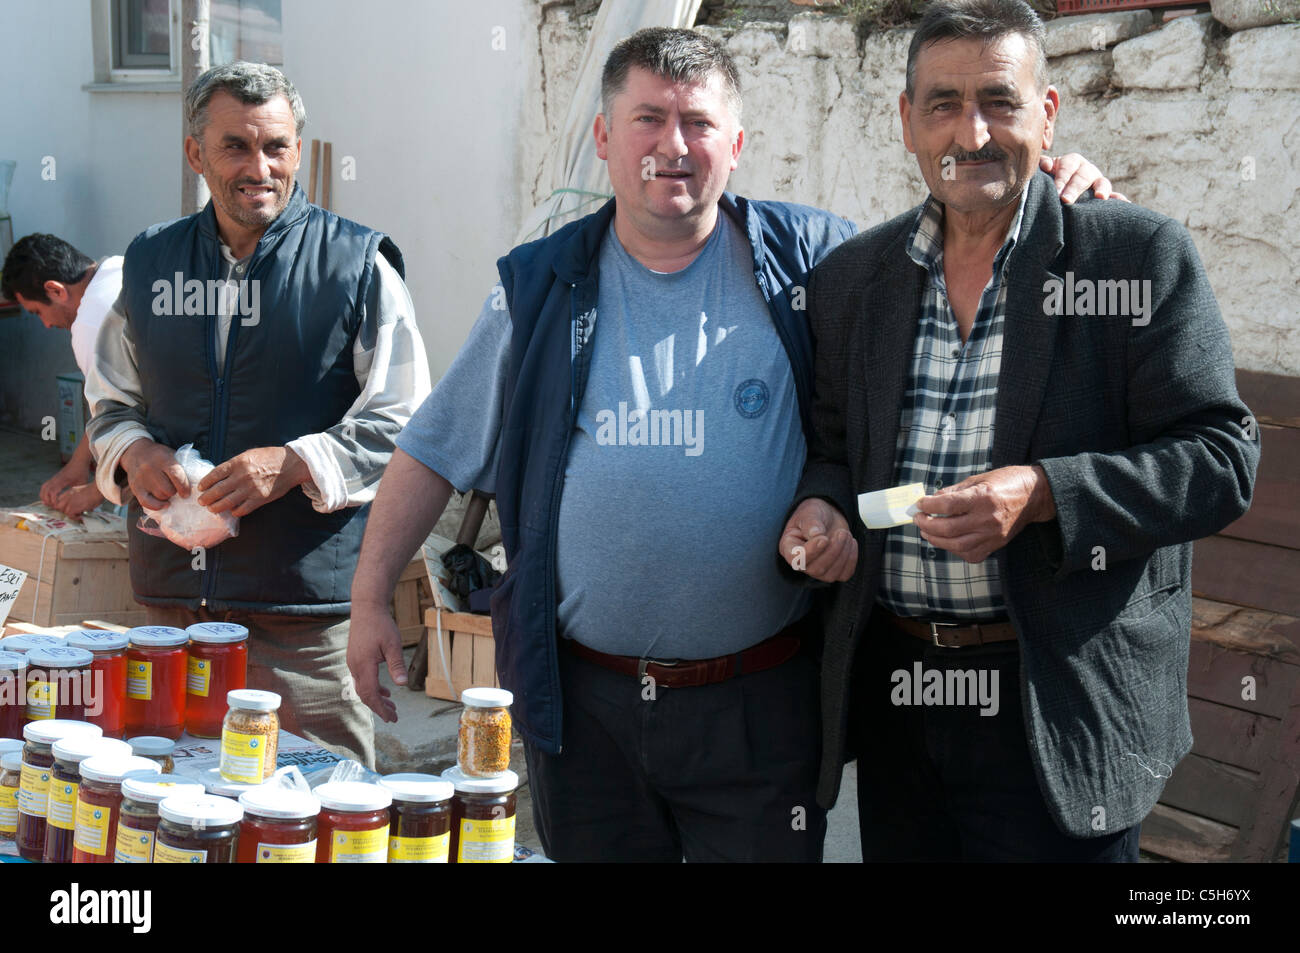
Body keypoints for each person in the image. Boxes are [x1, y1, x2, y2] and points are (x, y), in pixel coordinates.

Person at [348, 27, 1113, 862]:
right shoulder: (538, 290)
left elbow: (959, 228)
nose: (673, 146)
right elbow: (433, 448)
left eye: (699, 124)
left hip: (759, 706)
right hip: (585, 706)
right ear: (604, 137)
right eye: (647, 119)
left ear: (737, 145)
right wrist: (369, 596)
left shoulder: (814, 263)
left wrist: (1049, 181)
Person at [779, 0, 1259, 862]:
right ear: (906, 122)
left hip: (1059, 700)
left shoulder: (1131, 255)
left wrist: (1044, 492)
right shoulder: (856, 279)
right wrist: (821, 508)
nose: (972, 131)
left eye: (1000, 100)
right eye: (943, 103)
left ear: (1048, 112)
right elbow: (832, 446)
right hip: (903, 695)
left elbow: (1221, 459)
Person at [84, 62, 430, 766]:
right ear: (195, 155)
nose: (259, 167)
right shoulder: (150, 264)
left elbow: (408, 424)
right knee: (178, 806)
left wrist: (299, 460)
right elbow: (109, 402)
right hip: (172, 612)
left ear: (299, 148)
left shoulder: (357, 266)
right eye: (235, 146)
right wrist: (132, 452)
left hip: (301, 620)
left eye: (276, 145)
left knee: (317, 809)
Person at [2, 234, 122, 519]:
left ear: (56, 290)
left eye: (38, 312)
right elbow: (110, 403)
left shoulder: (91, 322)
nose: (45, 324)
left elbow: (130, 413)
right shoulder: (117, 268)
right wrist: (78, 464)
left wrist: (98, 491)